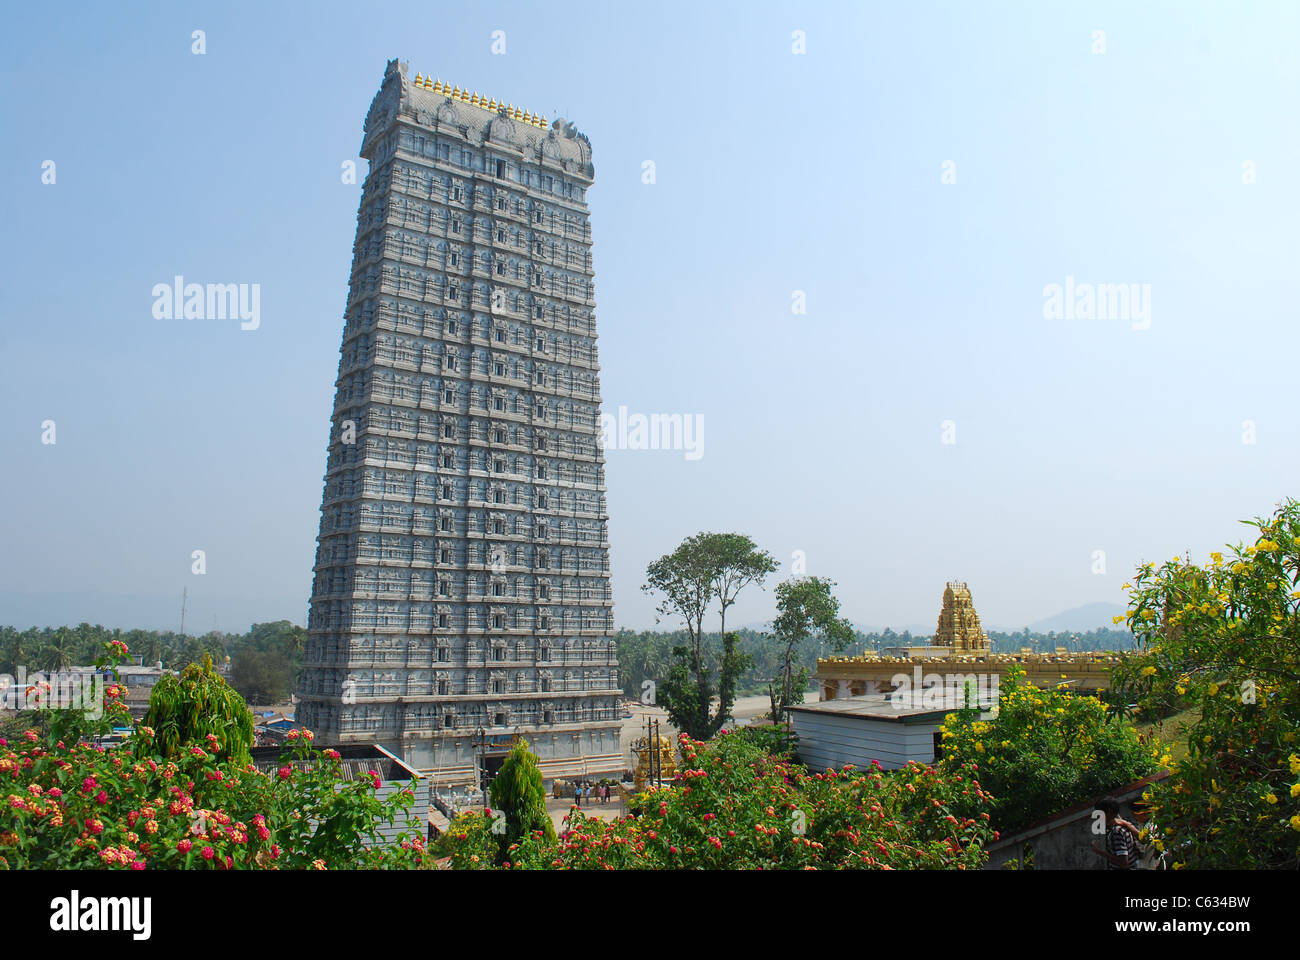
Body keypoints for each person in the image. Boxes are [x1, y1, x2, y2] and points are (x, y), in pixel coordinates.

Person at [1093, 797, 1141, 869]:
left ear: (1109, 812)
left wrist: (1098, 851)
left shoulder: (1116, 831)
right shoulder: (1124, 826)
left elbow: (1123, 862)